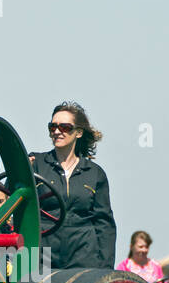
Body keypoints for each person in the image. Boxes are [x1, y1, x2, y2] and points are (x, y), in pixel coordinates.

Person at [32, 101, 116, 270]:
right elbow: (11, 198)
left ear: (78, 132)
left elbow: (104, 223)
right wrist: (20, 168)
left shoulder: (94, 173)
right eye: (53, 127)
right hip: (43, 252)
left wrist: (105, 269)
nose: (57, 131)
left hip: (83, 255)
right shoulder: (36, 164)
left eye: (64, 127)